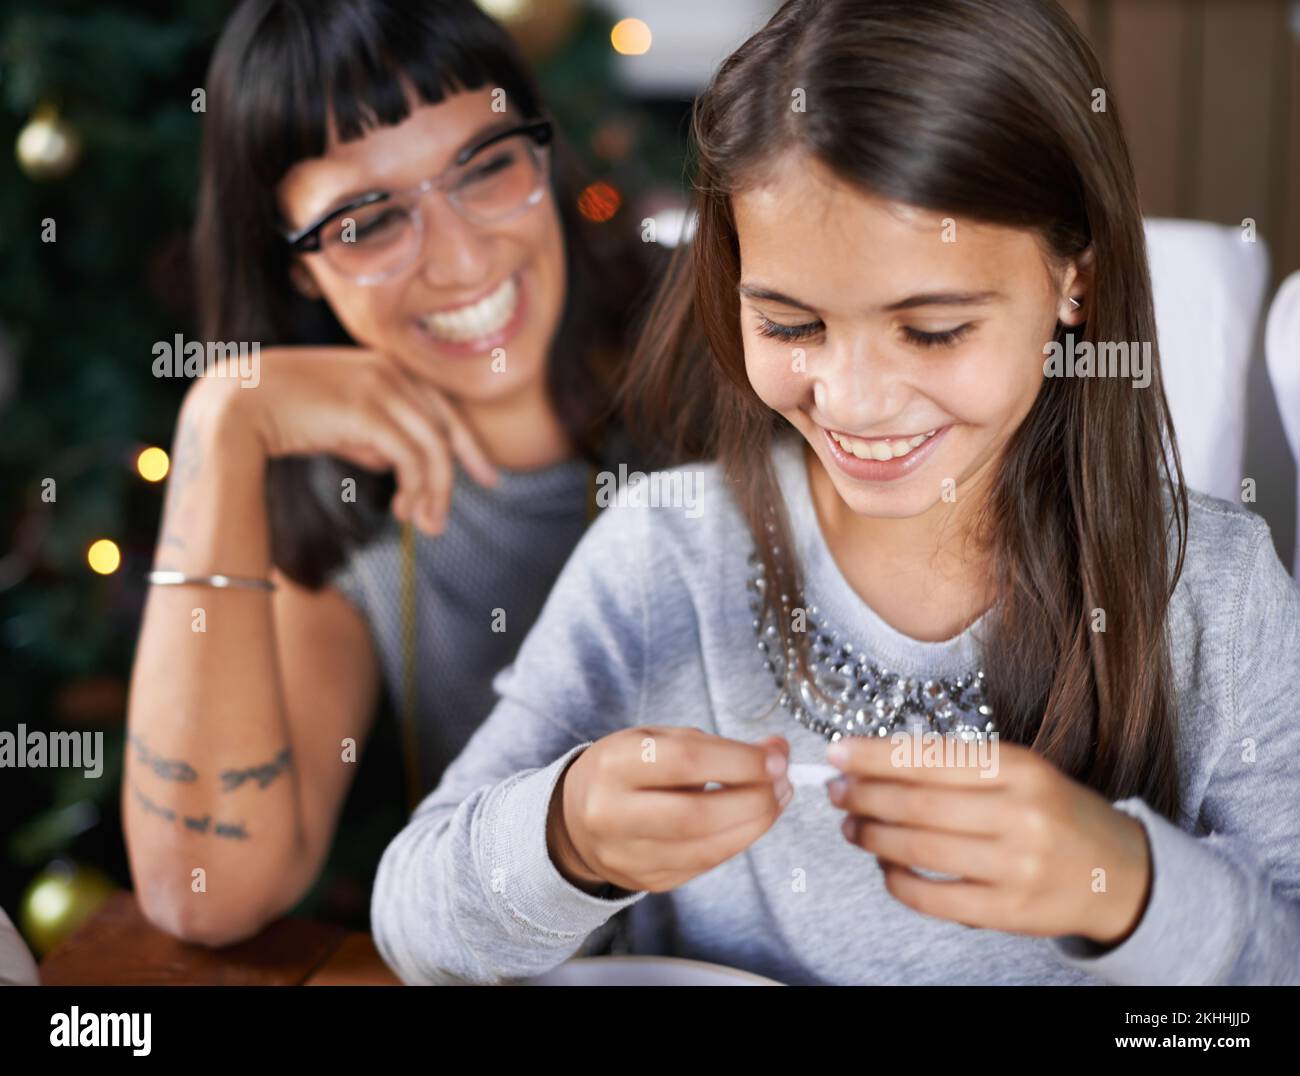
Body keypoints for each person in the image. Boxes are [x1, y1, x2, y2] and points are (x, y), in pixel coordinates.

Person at [368, 0, 1300, 985]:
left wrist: (1126, 883)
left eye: (933, 330)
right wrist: (562, 838)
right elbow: (412, 917)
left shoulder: (1209, 593)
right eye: (789, 324)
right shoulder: (667, 552)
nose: (852, 399)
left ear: (1076, 278)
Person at [124, 0, 653, 947]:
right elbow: (202, 891)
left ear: (544, 151)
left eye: (487, 167)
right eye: (368, 224)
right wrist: (221, 421)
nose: (459, 259)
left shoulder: (724, 365)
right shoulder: (341, 526)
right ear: (294, 269)